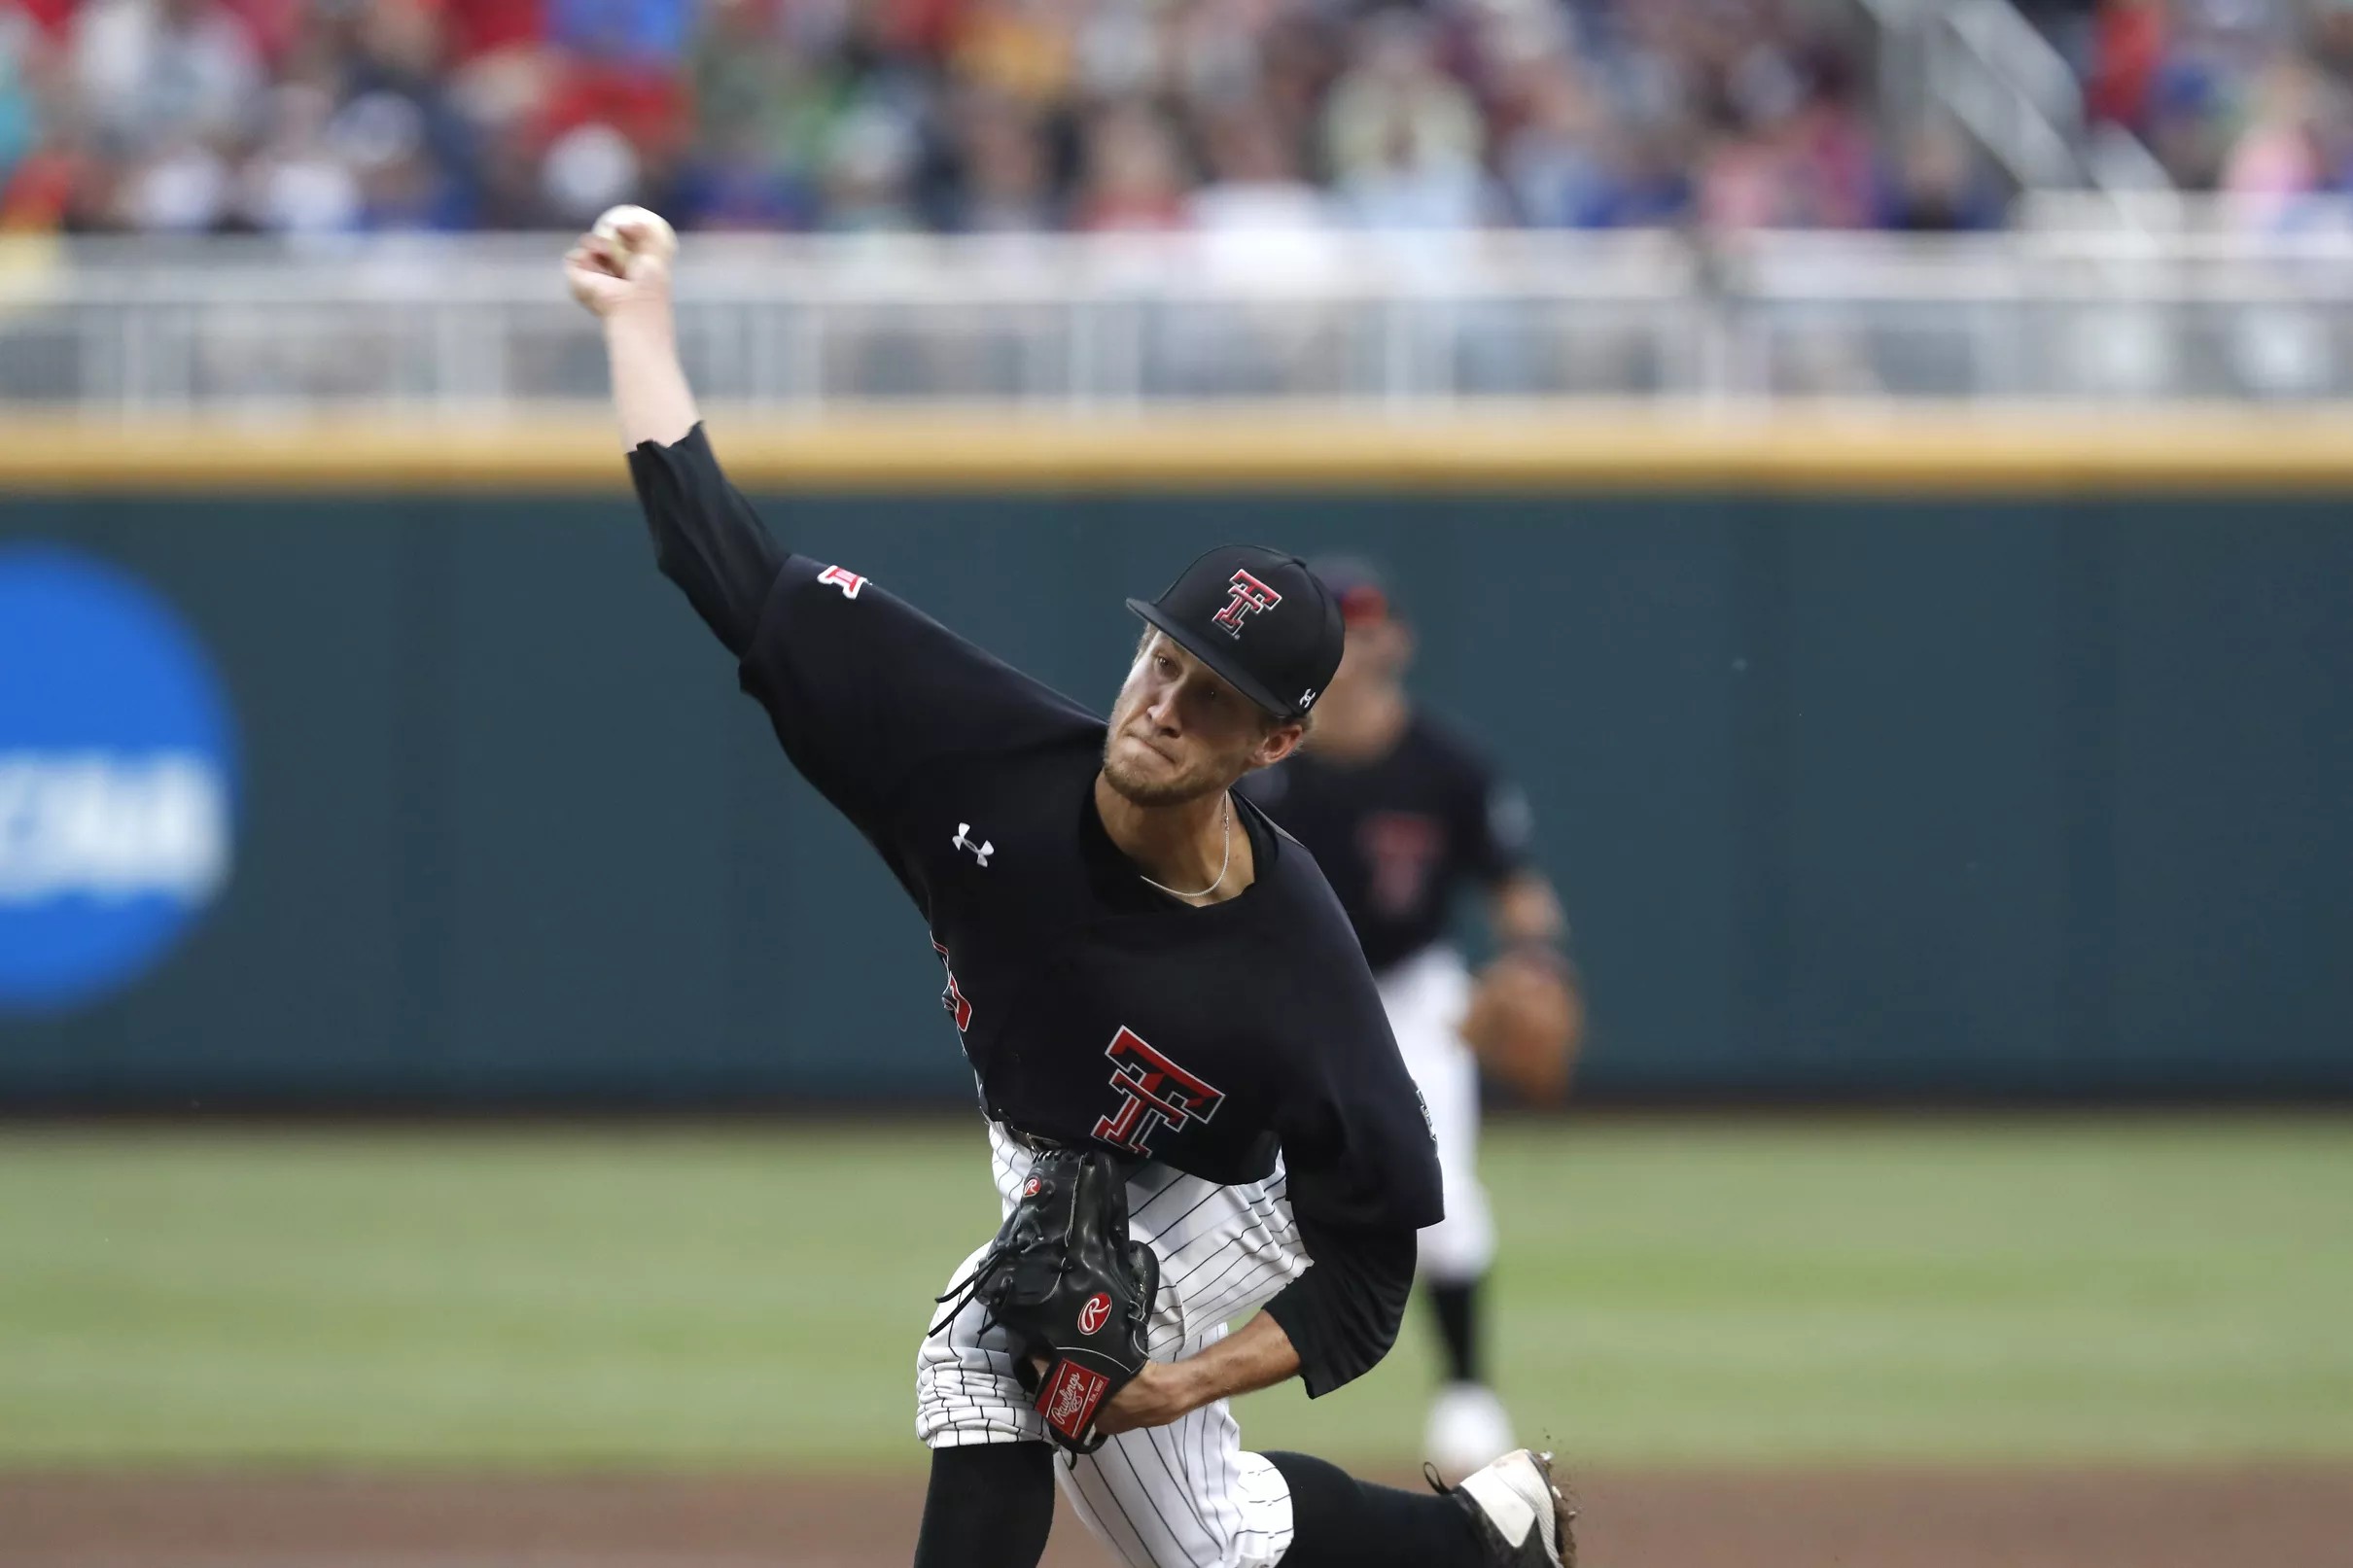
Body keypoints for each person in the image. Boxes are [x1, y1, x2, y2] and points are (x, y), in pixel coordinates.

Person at [561, 220, 1574, 1568]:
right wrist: (638, 324)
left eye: (1219, 696)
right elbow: (730, 572)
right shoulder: (972, 749)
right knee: (1204, 1540)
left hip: (1237, 1188)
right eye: (1167, 659)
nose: (1168, 704)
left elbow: (1374, 1267)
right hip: (1053, 1153)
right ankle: (1491, 1547)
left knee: (981, 1357)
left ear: (1275, 742)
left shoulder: (1290, 968)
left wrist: (1178, 1381)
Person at [1239, 559, 1580, 1482]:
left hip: (1411, 992)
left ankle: (1468, 1390)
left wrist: (1537, 962)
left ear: (1398, 642)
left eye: (1368, 630)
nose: (1355, 653)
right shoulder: (1263, 758)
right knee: (1229, 1191)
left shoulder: (1447, 764)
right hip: (1283, 991)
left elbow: (1518, 889)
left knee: (1442, 1198)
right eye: (1337, 636)